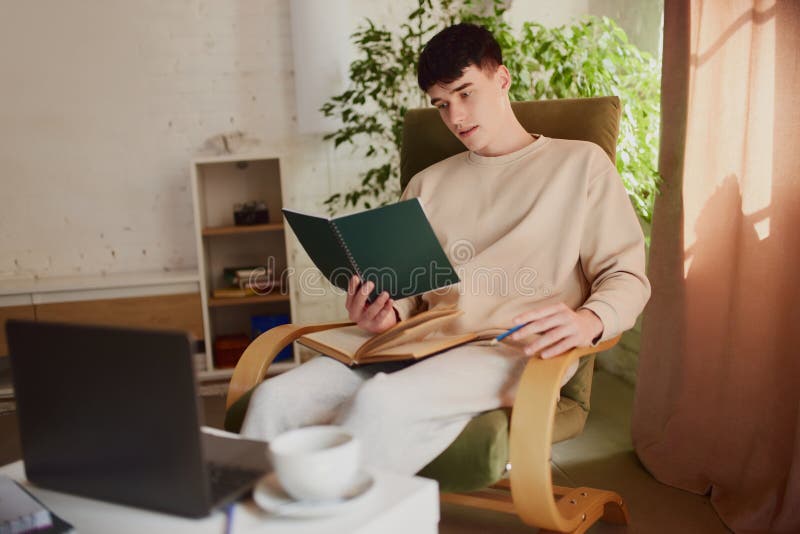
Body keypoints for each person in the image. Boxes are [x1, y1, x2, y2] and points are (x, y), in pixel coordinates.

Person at [241, 23, 650, 475]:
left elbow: (626, 275)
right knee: (275, 398)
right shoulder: (428, 183)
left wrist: (590, 319)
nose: (455, 117)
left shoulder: (580, 165)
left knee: (382, 403)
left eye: (464, 93)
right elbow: (408, 292)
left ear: (502, 79)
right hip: (414, 344)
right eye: (441, 104)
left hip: (510, 352)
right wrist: (385, 312)